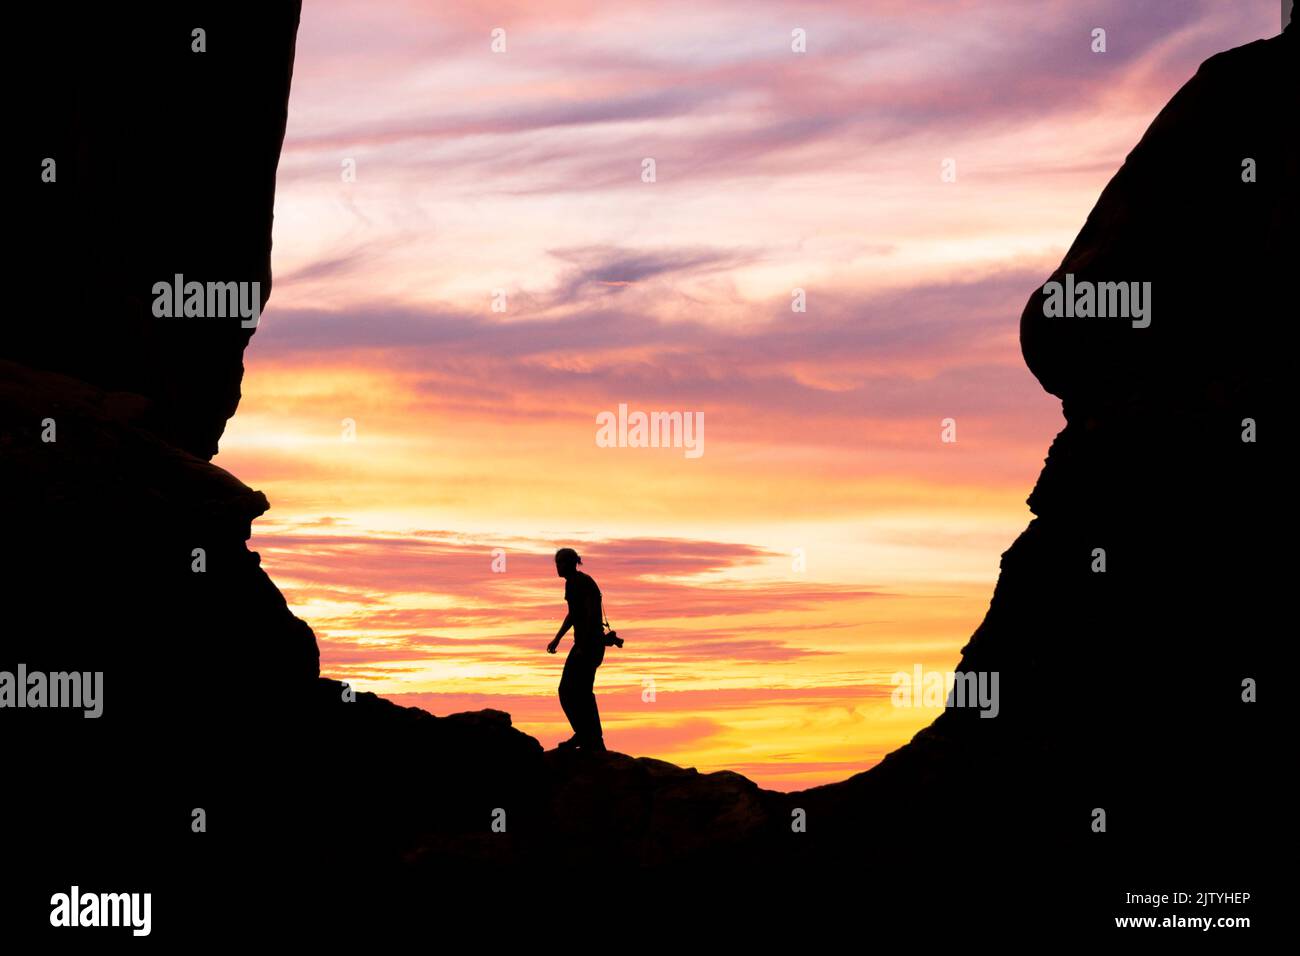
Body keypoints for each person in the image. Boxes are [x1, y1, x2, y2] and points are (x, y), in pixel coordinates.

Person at [546, 548, 607, 752]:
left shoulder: (581, 582)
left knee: (571, 691)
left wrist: (584, 645)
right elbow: (573, 614)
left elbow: (590, 614)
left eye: (561, 563)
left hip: (589, 645)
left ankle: (588, 736)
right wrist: (557, 638)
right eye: (557, 562)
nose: (558, 567)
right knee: (579, 692)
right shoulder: (571, 583)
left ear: (572, 563)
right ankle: (589, 736)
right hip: (586, 644)